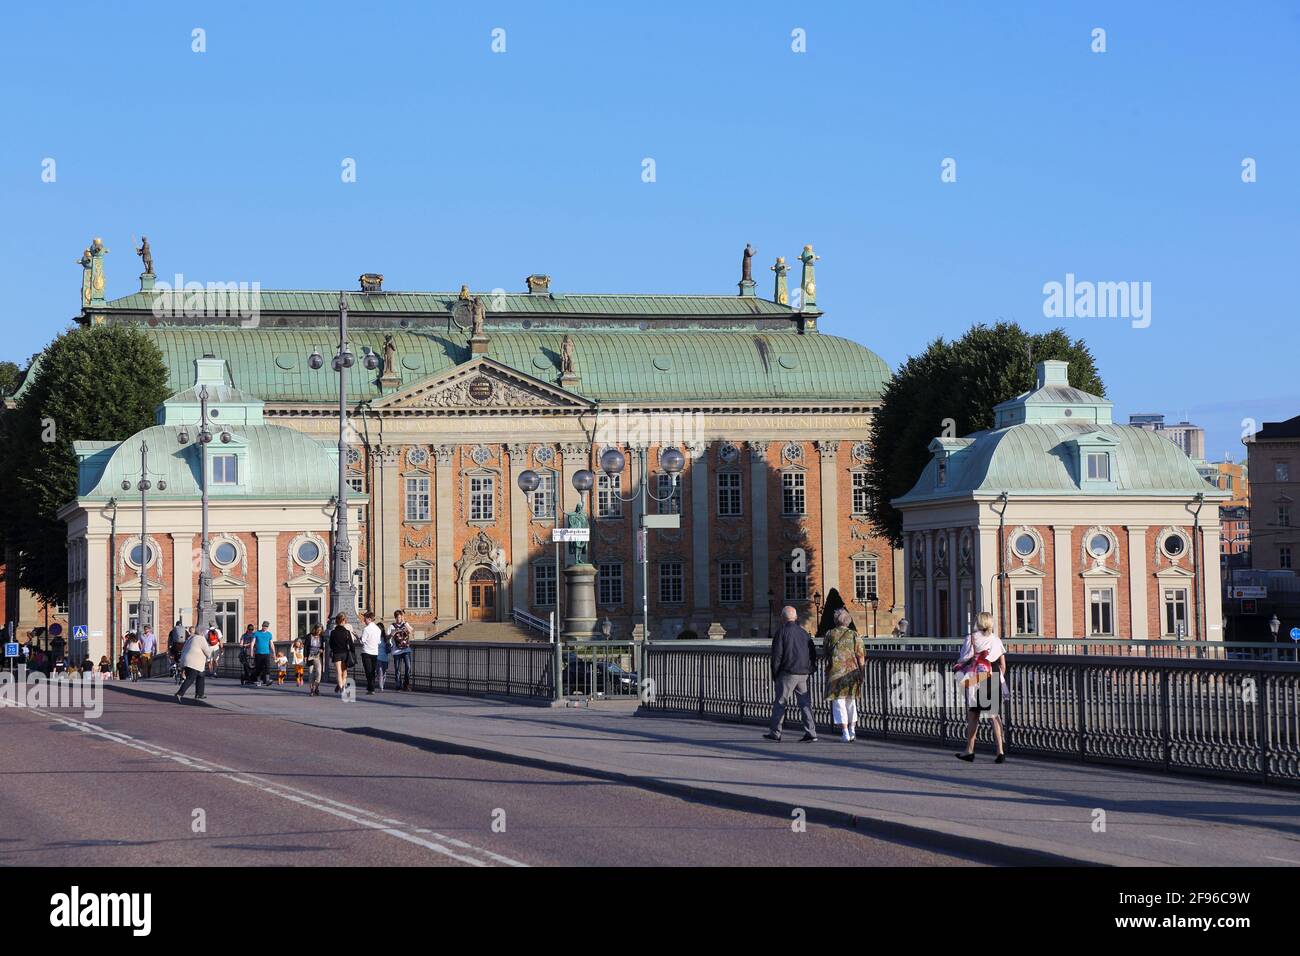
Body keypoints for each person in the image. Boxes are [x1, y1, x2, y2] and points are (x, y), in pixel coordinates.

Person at [954, 610, 1008, 764]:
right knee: (993, 715)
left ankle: (969, 750)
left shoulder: (971, 638)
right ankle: (1000, 751)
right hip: (991, 676)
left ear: (979, 623)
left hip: (975, 678)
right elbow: (1003, 664)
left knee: (974, 715)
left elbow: (963, 658)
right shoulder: (996, 640)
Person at [763, 606, 818, 743]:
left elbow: (777, 656)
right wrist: (810, 668)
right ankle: (811, 732)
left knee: (781, 702)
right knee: (805, 703)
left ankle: (775, 732)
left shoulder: (781, 632)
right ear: (796, 618)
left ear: (782, 618)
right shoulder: (804, 632)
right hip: (803, 672)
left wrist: (775, 674)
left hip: (788, 672)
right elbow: (812, 652)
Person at [823, 608, 865, 742]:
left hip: (835, 673)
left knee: (839, 702)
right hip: (851, 673)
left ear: (836, 620)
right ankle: (852, 730)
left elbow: (826, 652)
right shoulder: (854, 635)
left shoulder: (829, 634)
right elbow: (861, 656)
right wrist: (862, 673)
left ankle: (845, 732)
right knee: (851, 701)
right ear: (848, 621)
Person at [175, 627, 222, 702]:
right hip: (194, 663)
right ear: (202, 633)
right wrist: (211, 656)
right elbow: (207, 651)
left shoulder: (190, 638)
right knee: (190, 679)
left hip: (186, 661)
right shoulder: (201, 639)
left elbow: (183, 649)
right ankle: (179, 694)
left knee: (201, 675)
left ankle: (200, 694)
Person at [329, 613, 354, 695]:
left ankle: (340, 687)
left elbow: (331, 644)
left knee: (338, 672)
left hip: (336, 653)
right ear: (343, 621)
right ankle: (342, 685)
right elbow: (351, 644)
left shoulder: (333, 632)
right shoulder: (347, 632)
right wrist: (353, 653)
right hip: (345, 653)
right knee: (344, 672)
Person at [388, 610, 413, 691]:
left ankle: (406, 685)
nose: (399, 619)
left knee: (408, 667)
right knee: (397, 669)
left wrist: (405, 623)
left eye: (400, 617)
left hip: (406, 649)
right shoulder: (392, 626)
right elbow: (387, 637)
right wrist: (391, 634)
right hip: (396, 651)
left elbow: (410, 631)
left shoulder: (405, 624)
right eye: (397, 617)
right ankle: (398, 685)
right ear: (395, 618)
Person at [358, 611, 381, 695]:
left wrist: (358, 637)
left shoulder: (366, 629)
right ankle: (371, 686)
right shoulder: (378, 629)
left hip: (366, 652)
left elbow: (362, 641)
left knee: (368, 671)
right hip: (375, 652)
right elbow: (378, 642)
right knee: (373, 670)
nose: (364, 620)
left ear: (369, 619)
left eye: (365, 619)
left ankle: (371, 688)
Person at [250, 621, 275, 687]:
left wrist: (274, 653)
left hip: (266, 653)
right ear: (262, 626)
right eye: (264, 626)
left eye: (266, 626)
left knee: (267, 667)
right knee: (258, 667)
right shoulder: (256, 633)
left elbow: (271, 644)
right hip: (258, 653)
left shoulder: (269, 634)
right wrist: (251, 651)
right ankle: (258, 681)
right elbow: (252, 643)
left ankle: (267, 680)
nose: (265, 627)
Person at [304, 624, 326, 696]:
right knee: (310, 673)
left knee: (319, 673)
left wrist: (322, 650)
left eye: (320, 630)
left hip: (318, 656)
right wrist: (305, 656)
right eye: (318, 630)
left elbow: (323, 647)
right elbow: (306, 647)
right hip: (310, 656)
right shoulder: (309, 636)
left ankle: (316, 686)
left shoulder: (322, 637)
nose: (319, 632)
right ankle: (311, 689)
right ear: (315, 629)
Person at [375, 624, 390, 692]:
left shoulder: (385, 637)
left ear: (382, 629)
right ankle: (381, 687)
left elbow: (389, 644)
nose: (379, 630)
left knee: (384, 672)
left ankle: (382, 684)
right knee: (380, 671)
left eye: (380, 628)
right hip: (377, 657)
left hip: (385, 657)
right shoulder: (375, 636)